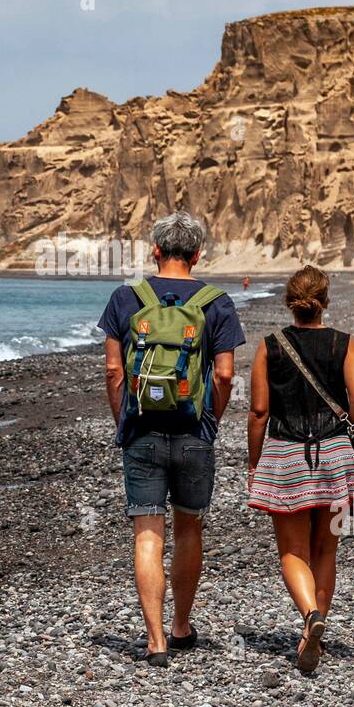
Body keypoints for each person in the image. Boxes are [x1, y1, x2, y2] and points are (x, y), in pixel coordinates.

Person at [99, 213, 246, 666]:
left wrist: (124, 421)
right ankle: (182, 626)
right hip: (193, 433)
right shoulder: (216, 302)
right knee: (189, 529)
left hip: (141, 430)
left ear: (155, 251)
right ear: (198, 254)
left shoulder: (126, 297)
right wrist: (210, 424)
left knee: (147, 535)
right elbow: (223, 374)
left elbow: (112, 370)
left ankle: (155, 640)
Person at [246, 266, 354, 675]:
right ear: (325, 300)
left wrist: (253, 463)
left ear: (290, 302)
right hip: (335, 455)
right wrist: (341, 426)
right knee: (326, 550)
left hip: (286, 455)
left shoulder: (270, 347)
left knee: (292, 551)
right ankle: (314, 628)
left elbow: (260, 411)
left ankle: (309, 617)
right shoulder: (344, 344)